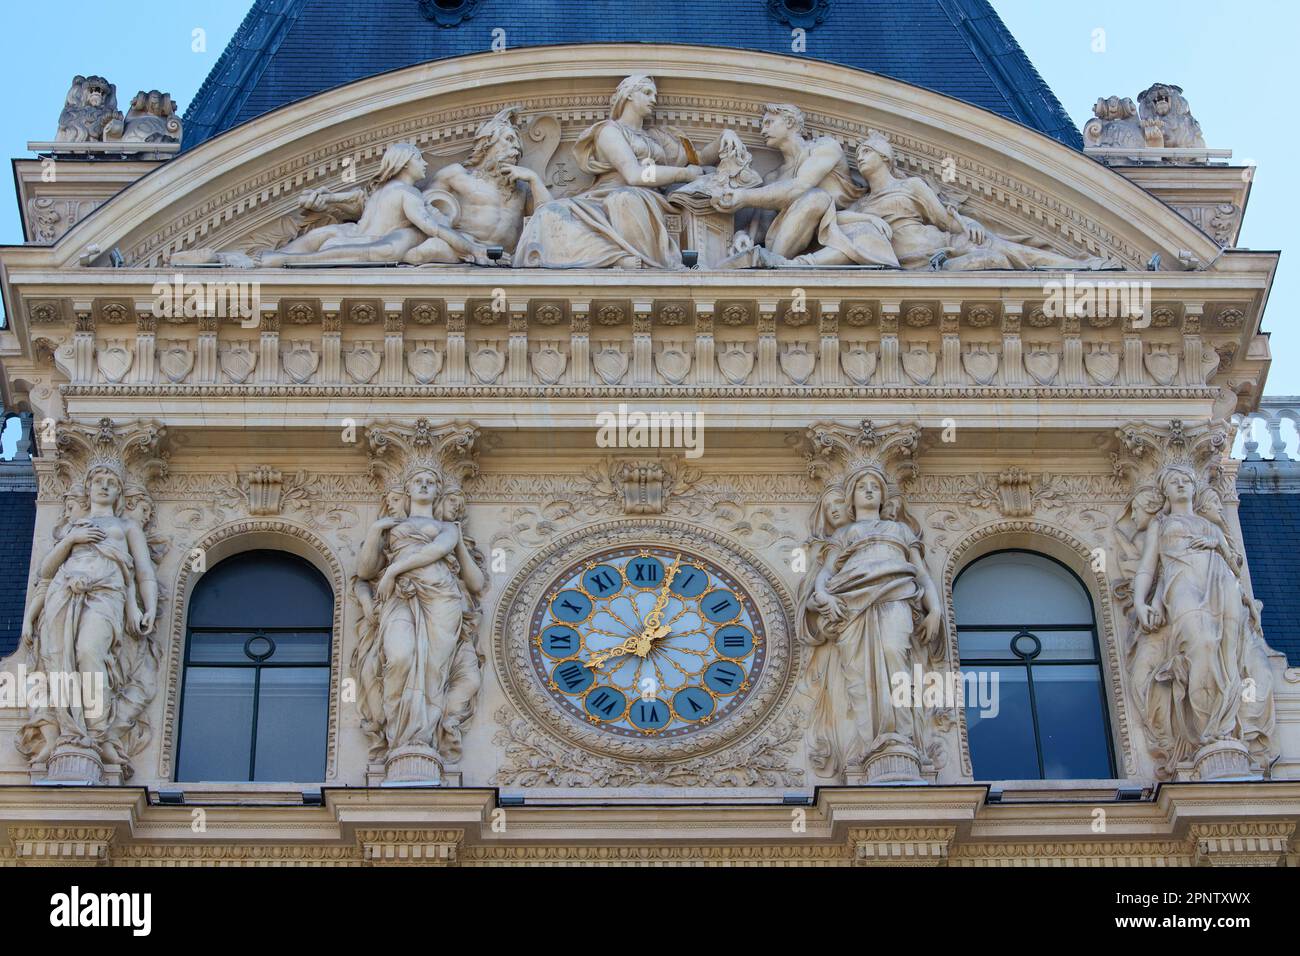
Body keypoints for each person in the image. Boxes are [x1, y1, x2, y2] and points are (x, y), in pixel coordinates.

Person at [798, 467, 943, 778]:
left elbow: (921, 575)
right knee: (858, 674)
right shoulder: (844, 534)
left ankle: (900, 739)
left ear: (883, 495)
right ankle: (872, 744)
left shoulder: (900, 531)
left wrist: (936, 611)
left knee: (894, 653)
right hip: (852, 605)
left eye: (874, 487)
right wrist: (824, 596)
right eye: (861, 486)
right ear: (850, 498)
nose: (868, 491)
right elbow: (824, 574)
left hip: (895, 596)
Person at [18, 464, 158, 771]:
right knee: (58, 660)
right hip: (64, 594)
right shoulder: (73, 527)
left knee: (89, 652)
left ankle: (95, 734)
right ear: (88, 487)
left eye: (111, 483)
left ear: (120, 492)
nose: (104, 486)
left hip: (107, 595)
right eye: (98, 481)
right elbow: (45, 572)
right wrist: (70, 540)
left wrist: (146, 607)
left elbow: (143, 571)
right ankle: (70, 734)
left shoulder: (127, 527)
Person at [353, 470, 486, 763]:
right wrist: (376, 530)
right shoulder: (389, 527)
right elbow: (363, 573)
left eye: (432, 481)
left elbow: (436, 552)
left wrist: (393, 570)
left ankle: (423, 738)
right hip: (399, 598)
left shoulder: (448, 529)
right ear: (408, 489)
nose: (425, 485)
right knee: (400, 656)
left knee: (434, 669)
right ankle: (400, 735)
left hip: (442, 598)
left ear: (438, 491)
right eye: (418, 481)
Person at [513, 74, 712, 269]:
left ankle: (642, 263)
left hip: (643, 198)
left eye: (655, 95)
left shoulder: (656, 138)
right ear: (629, 95)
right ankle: (617, 257)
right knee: (550, 213)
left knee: (625, 199)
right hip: (609, 195)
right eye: (647, 92)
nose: (654, 100)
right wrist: (683, 174)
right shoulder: (609, 131)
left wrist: (726, 139)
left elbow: (698, 159)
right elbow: (633, 175)